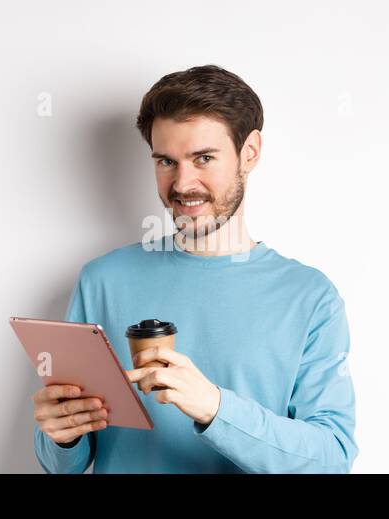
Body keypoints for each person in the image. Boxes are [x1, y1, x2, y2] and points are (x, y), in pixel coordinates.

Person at [31, 65, 357, 473]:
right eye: (166, 161)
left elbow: (331, 459)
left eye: (203, 158)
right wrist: (62, 434)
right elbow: (63, 466)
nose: (183, 183)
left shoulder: (310, 296)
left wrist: (215, 408)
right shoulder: (102, 280)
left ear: (249, 152)